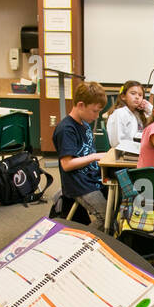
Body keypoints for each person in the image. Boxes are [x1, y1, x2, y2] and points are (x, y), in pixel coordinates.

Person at [53, 79, 109, 221]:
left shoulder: (84, 124)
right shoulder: (66, 129)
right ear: (80, 105)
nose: (97, 116)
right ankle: (84, 241)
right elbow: (67, 164)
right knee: (107, 218)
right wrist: (95, 156)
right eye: (95, 111)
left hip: (91, 179)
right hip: (79, 184)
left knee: (117, 205)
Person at [106, 80, 150, 149]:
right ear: (123, 96)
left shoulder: (139, 114)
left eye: (140, 95)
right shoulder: (119, 113)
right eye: (133, 93)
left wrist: (148, 107)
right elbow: (117, 142)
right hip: (125, 152)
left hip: (138, 149)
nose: (137, 97)